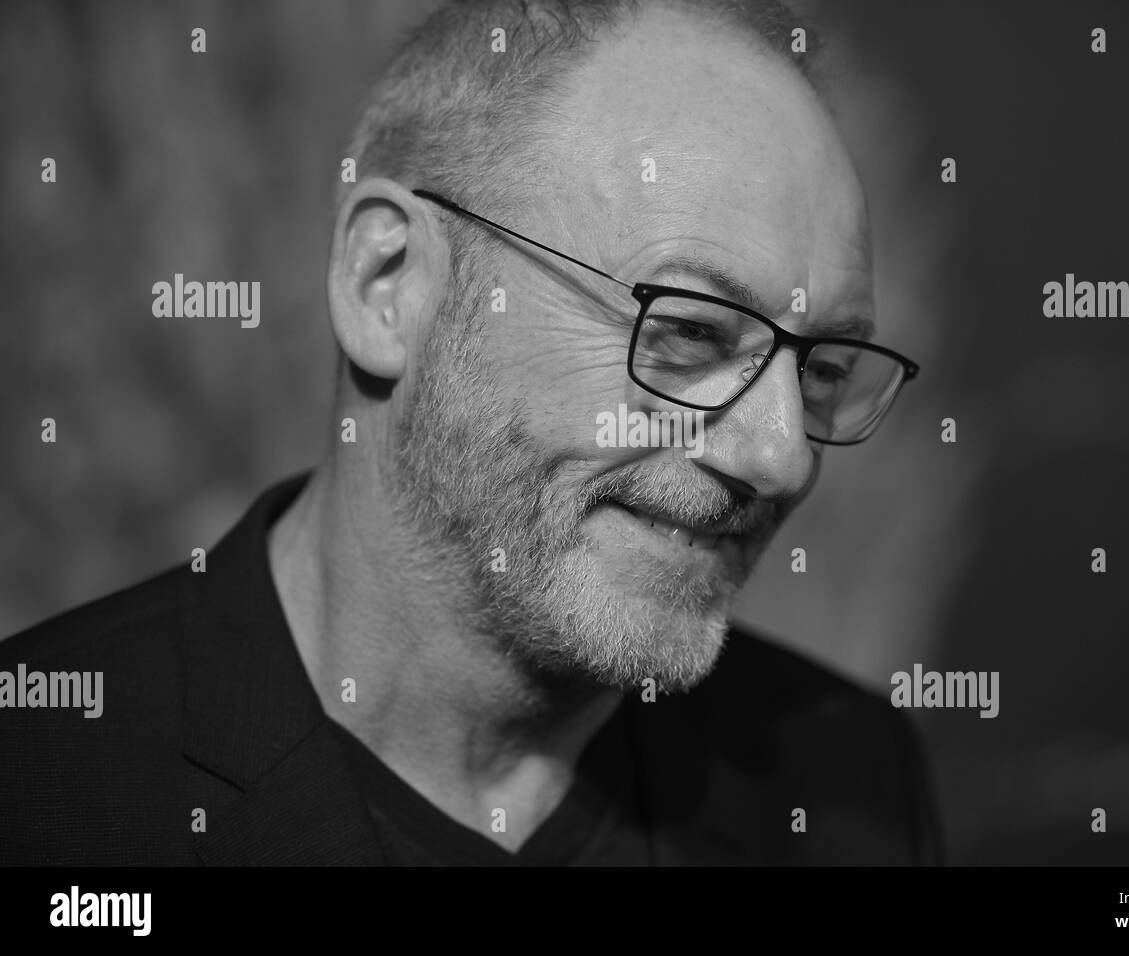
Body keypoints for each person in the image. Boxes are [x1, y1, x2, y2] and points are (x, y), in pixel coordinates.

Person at [0, 0, 937, 865]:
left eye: (821, 371)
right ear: (389, 284)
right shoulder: (48, 783)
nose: (780, 455)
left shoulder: (846, 787)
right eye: (688, 331)